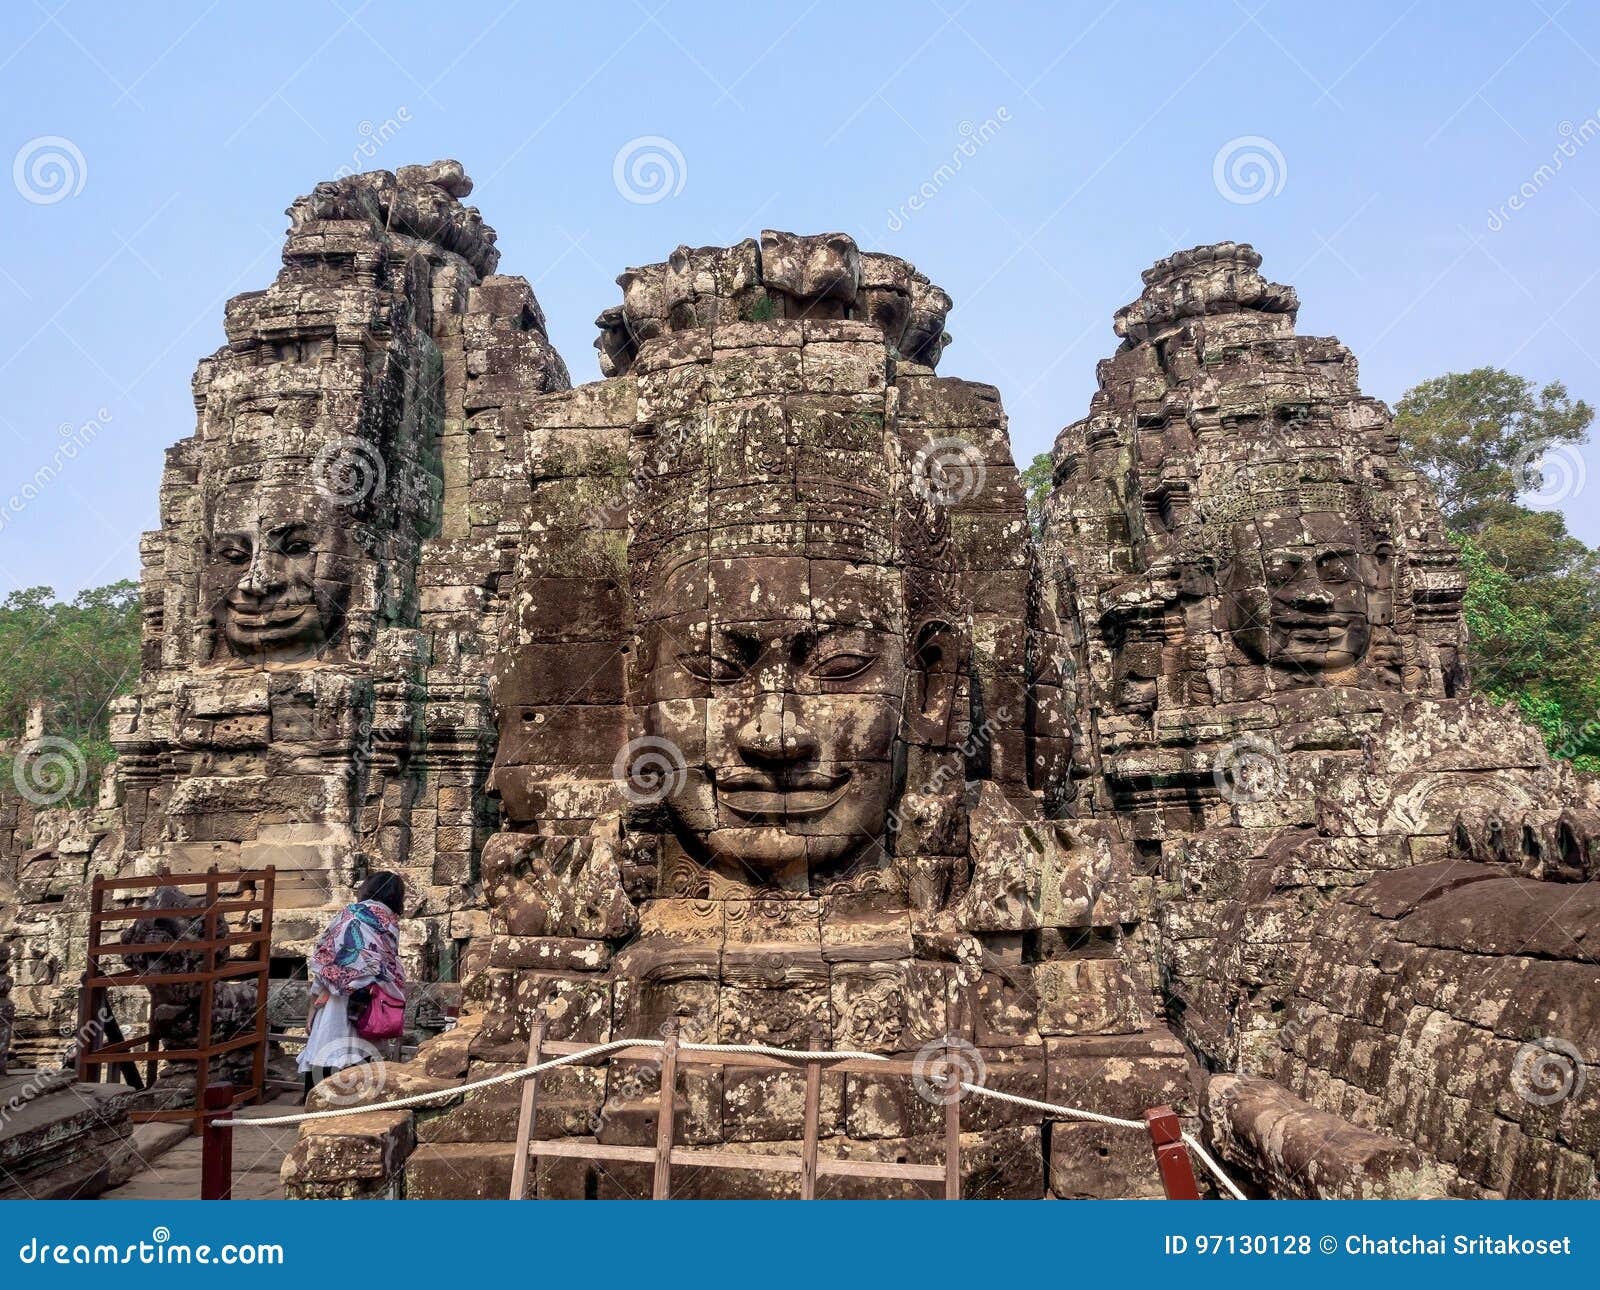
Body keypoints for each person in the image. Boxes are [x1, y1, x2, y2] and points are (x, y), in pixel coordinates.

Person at [300, 871, 407, 1096]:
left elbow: (326, 957)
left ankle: (318, 1107)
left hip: (336, 999)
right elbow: (387, 965)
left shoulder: (350, 914)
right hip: (371, 999)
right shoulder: (390, 923)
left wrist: (312, 1006)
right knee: (363, 1054)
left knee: (328, 1048)